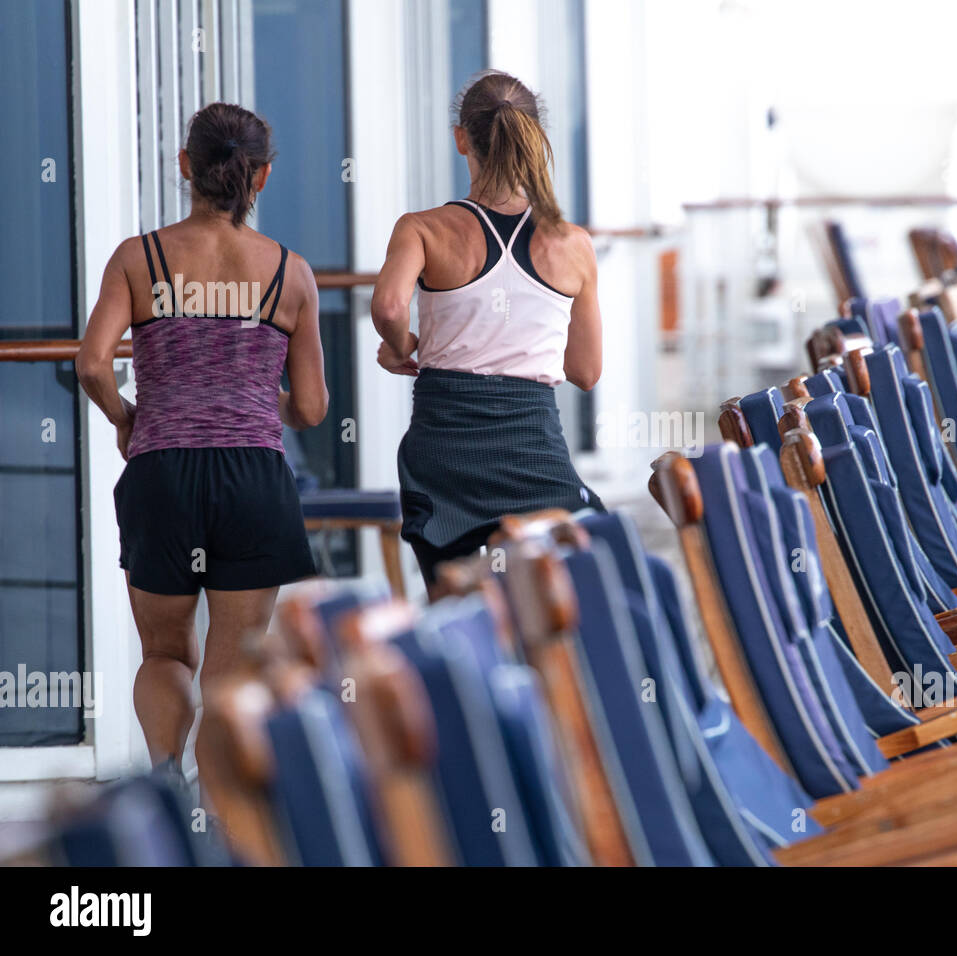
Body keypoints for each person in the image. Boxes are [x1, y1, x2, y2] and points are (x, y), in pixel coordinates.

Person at [76, 103, 327, 782]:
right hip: (254, 479)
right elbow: (309, 406)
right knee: (233, 669)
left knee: (164, 656)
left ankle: (163, 783)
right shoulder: (290, 272)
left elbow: (93, 364)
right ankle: (214, 811)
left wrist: (127, 419)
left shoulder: (140, 258)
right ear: (263, 178)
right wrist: (249, 397)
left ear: (185, 166)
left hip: (163, 474)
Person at [371, 71, 604, 590]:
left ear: (462, 139)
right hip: (533, 454)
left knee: (454, 610)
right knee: (559, 598)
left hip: (444, 457)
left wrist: (403, 347)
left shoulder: (423, 229)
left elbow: (388, 306)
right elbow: (585, 372)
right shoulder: (572, 244)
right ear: (533, 136)